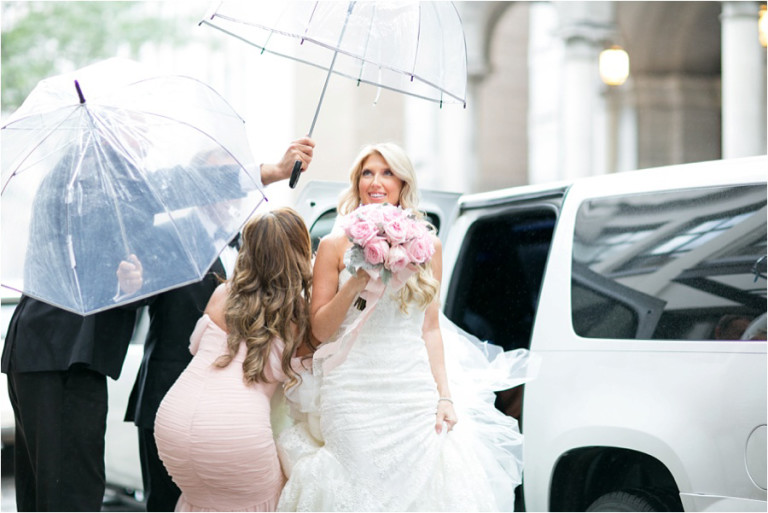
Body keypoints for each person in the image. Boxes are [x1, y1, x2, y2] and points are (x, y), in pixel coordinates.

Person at [277, 143, 535, 511]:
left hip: (411, 389)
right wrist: (356, 280)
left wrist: (444, 395)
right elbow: (318, 331)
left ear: (402, 182)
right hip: (351, 389)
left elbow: (430, 328)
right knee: (358, 484)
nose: (376, 181)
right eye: (367, 173)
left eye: (387, 173)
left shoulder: (428, 246)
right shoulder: (334, 246)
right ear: (356, 181)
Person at [124, 137, 315, 511]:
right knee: (163, 502)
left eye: (235, 179)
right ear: (197, 185)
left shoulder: (255, 245)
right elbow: (139, 294)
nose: (231, 190)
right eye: (222, 180)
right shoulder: (169, 237)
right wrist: (132, 282)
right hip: (167, 392)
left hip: (233, 413)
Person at [153, 207, 314, 511]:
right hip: (236, 431)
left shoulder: (222, 294)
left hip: (174, 421)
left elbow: (194, 347)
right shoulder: (299, 312)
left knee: (202, 503)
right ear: (299, 251)